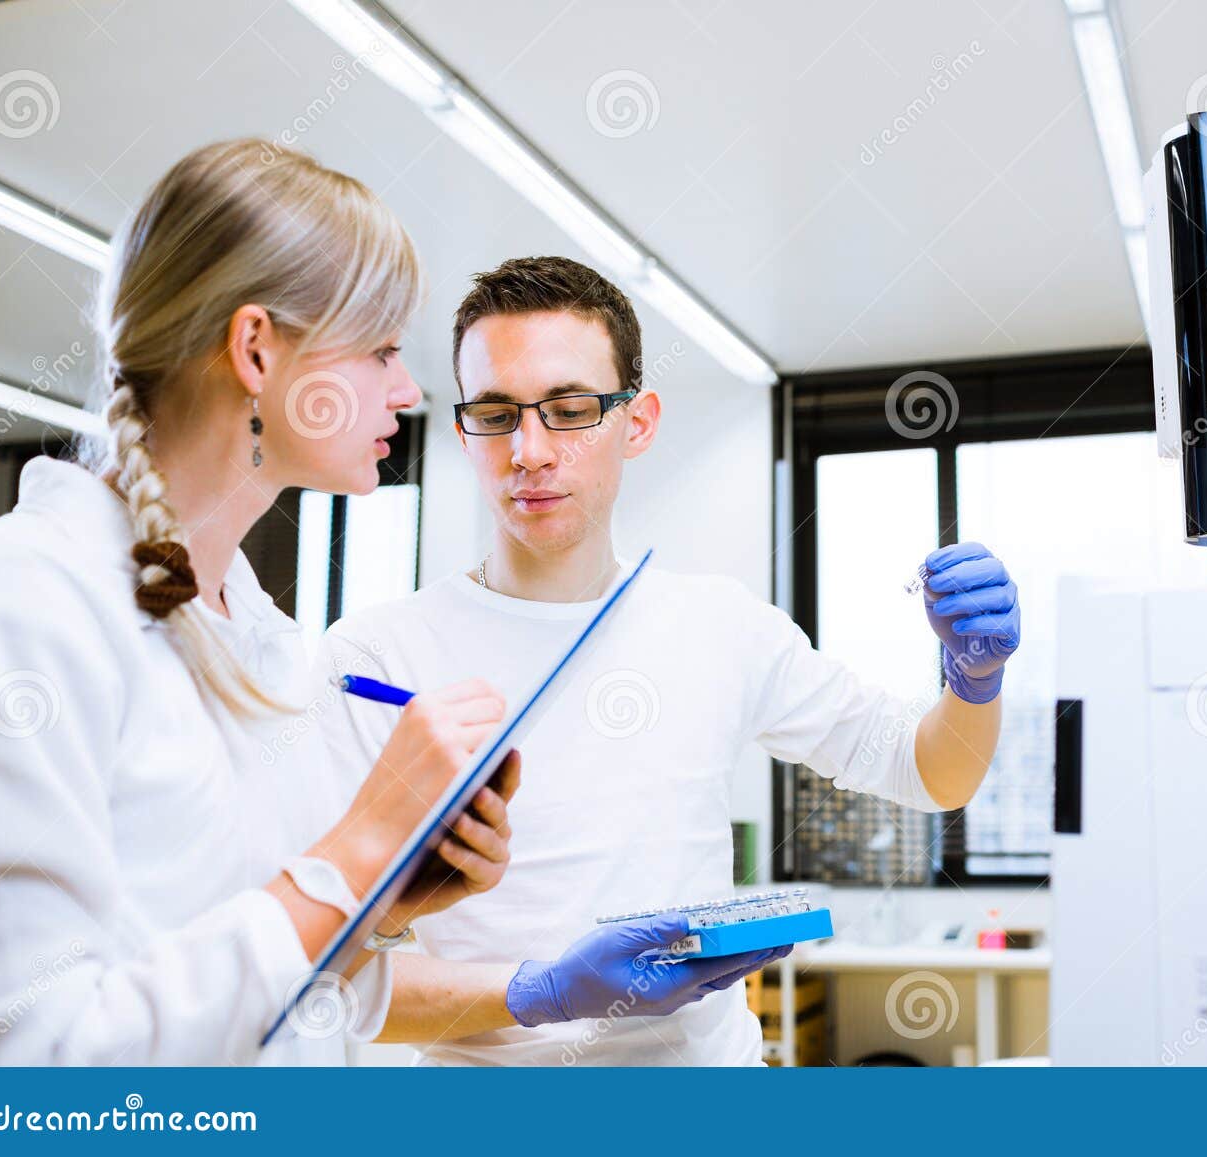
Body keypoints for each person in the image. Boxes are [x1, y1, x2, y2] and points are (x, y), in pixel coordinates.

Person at [0, 144, 780, 1066]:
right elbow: (24, 1075)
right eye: (383, 350)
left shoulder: (261, 637)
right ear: (256, 350)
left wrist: (394, 904)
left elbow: (275, 987)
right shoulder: (26, 598)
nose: (407, 390)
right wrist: (362, 845)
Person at [315, 256, 1022, 1066]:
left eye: (570, 409)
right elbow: (333, 981)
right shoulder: (377, 656)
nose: (530, 450)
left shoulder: (720, 624)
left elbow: (929, 772)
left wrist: (972, 681)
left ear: (638, 421)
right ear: (464, 425)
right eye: (497, 413)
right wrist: (539, 989)